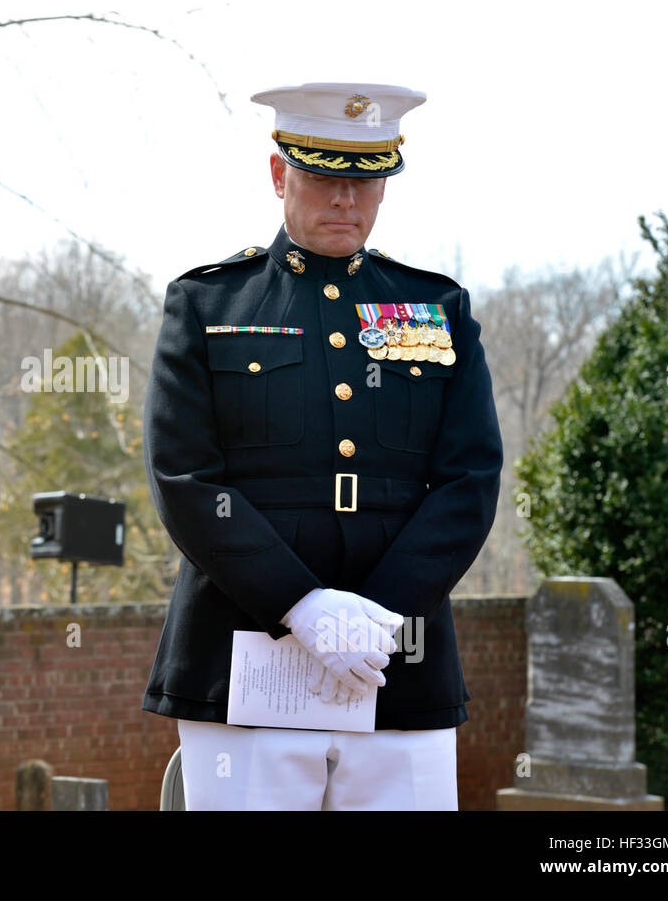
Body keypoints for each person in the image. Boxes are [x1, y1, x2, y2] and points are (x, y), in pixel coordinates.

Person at [141, 82, 502, 810]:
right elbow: (185, 478)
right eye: (325, 175)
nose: (347, 199)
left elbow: (469, 479)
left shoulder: (437, 307)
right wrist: (303, 606)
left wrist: (379, 614)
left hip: (400, 663)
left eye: (366, 178)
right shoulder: (209, 305)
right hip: (246, 661)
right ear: (279, 175)